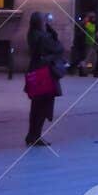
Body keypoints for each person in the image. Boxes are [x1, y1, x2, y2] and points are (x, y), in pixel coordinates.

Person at [24, 12, 64, 148]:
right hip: (45, 74)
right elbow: (59, 47)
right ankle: (35, 136)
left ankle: (31, 135)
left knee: (36, 106)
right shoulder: (43, 37)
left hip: (35, 72)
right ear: (41, 23)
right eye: (43, 21)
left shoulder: (31, 34)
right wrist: (51, 30)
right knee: (43, 106)